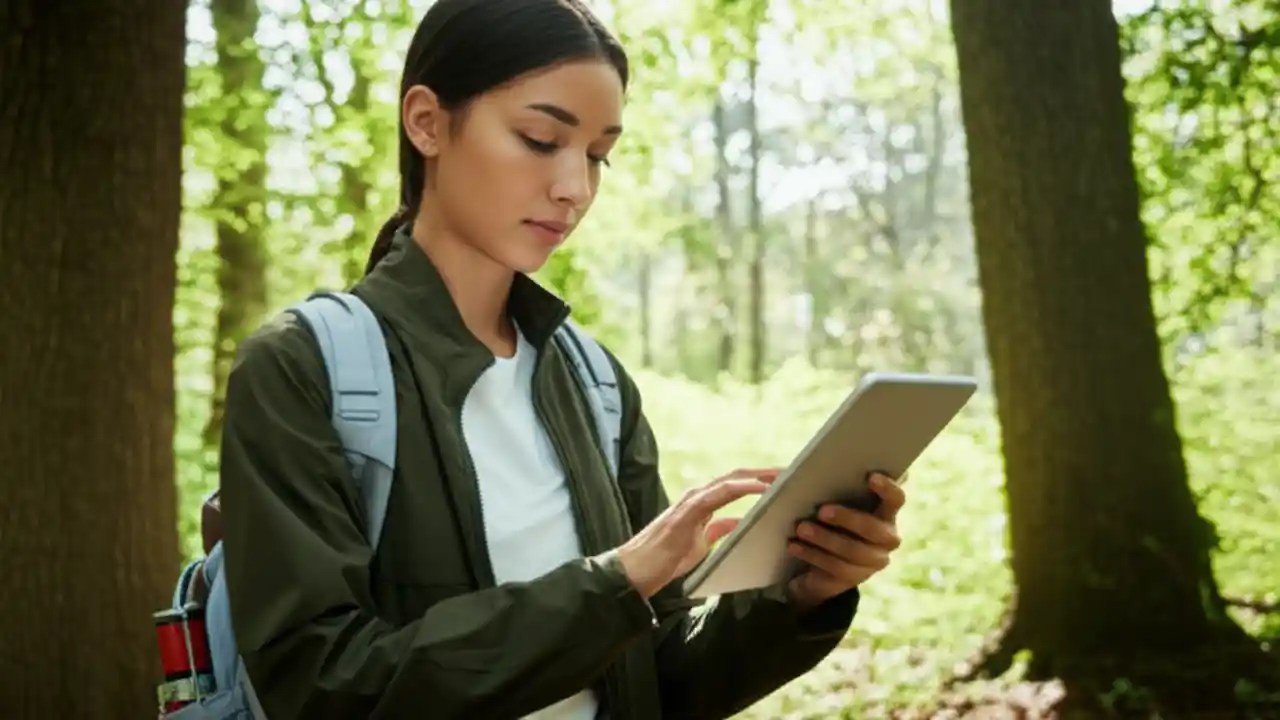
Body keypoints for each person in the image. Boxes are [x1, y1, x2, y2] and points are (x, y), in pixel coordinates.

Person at [218, 0, 908, 718]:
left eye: (598, 154)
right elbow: (319, 688)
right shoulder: (302, 371)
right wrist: (612, 584)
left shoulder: (596, 384)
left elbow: (661, 678)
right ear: (426, 122)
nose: (575, 188)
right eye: (541, 138)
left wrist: (798, 598)